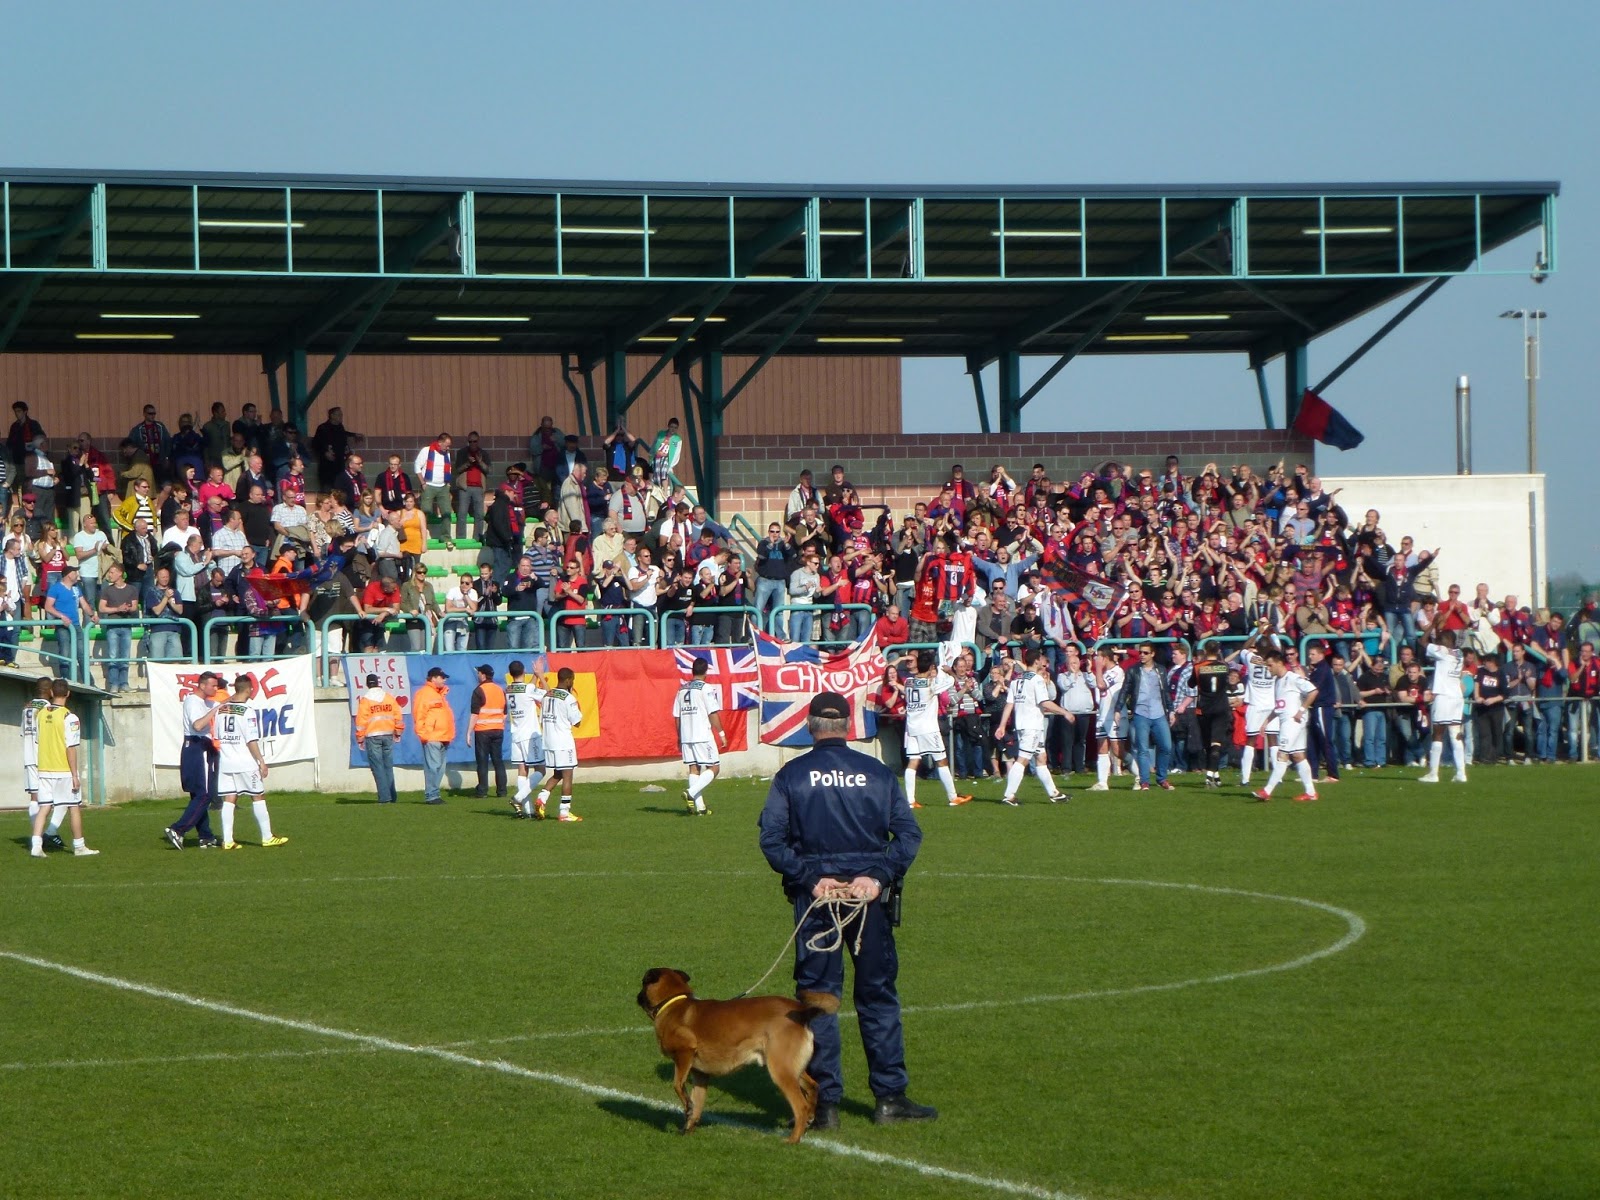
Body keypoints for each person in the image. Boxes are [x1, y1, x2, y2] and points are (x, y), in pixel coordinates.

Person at [757, 690, 936, 1130]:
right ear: (848, 727)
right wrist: (877, 877)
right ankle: (889, 1098)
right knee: (877, 996)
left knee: (819, 1000)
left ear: (811, 726)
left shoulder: (791, 775)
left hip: (818, 900)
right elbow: (909, 836)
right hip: (867, 899)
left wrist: (810, 878)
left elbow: (772, 839)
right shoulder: (877, 773)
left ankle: (826, 1105)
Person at [213, 675, 288, 849]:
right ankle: (267, 837)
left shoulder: (221, 710)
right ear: (249, 689)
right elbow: (251, 740)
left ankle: (228, 840)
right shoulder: (247, 711)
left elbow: (217, 735)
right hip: (245, 762)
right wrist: (261, 761)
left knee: (229, 799)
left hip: (226, 762)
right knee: (258, 796)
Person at [29, 679, 98, 858]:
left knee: (44, 807)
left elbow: (38, 741)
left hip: (44, 769)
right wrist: (75, 775)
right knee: (74, 807)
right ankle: (79, 846)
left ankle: (36, 845)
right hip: (63, 770)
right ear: (68, 693)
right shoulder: (70, 717)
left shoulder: (41, 714)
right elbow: (70, 748)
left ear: (52, 693)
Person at [994, 648, 1069, 805]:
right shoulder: (1037, 680)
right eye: (1041, 660)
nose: (1043, 663)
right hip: (1032, 726)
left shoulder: (1017, 680)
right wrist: (1064, 712)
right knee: (1022, 760)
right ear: (1036, 661)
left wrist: (1002, 725)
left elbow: (1009, 704)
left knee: (1041, 758)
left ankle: (1054, 793)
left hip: (1023, 725)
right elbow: (1045, 702)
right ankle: (1009, 796)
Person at [899, 649, 971, 809]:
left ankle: (910, 800)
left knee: (913, 761)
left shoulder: (908, 682)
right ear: (931, 667)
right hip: (928, 729)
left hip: (911, 728)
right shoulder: (931, 685)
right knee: (941, 760)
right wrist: (948, 671)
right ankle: (953, 797)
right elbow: (951, 681)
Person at [164, 671, 223, 848]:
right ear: (202, 685)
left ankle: (205, 835)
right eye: (213, 685)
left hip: (196, 747)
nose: (216, 689)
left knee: (198, 794)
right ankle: (178, 829)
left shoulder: (205, 702)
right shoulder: (193, 701)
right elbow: (197, 725)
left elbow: (224, 704)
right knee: (205, 795)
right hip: (198, 746)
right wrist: (213, 712)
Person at [1253, 649, 1319, 803]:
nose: (1268, 669)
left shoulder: (1293, 678)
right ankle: (1311, 793)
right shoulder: (1278, 681)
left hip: (1292, 722)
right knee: (1298, 756)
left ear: (1279, 663)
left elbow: (1313, 691)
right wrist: (1267, 721)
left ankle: (1267, 791)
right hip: (1290, 721)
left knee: (1282, 755)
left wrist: (1301, 710)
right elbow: (1280, 706)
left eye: (1270, 665)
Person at [673, 657, 726, 815]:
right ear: (706, 671)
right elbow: (712, 713)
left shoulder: (682, 689)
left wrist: (679, 736)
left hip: (686, 736)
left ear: (692, 670)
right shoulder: (705, 688)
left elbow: (677, 716)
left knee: (694, 769)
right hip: (702, 735)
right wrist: (721, 733)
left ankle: (701, 808)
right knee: (714, 768)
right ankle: (690, 792)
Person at [1120, 642, 1176, 791]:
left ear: (1152, 654)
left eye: (1145, 653)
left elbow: (1165, 692)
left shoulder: (1160, 670)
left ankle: (1161, 778)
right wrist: (1118, 709)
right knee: (1142, 748)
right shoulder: (1133, 670)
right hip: (1141, 712)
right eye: (1140, 652)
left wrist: (1171, 710)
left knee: (1166, 746)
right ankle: (1144, 781)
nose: (1142, 655)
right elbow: (1125, 690)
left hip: (1159, 713)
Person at [1419, 624, 1469, 784]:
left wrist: (1433, 623)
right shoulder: (1459, 654)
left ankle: (1433, 774)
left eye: (1440, 640)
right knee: (1455, 734)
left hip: (1444, 696)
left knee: (1438, 734)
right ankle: (1461, 773)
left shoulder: (1442, 652)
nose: (1438, 643)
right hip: (1457, 696)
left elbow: (1422, 641)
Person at [533, 666, 583, 822]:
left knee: (558, 774)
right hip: (563, 742)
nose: (572, 683)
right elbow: (577, 722)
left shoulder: (547, 695)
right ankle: (564, 812)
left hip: (549, 741)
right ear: (568, 680)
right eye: (572, 680)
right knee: (568, 775)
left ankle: (542, 798)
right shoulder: (568, 698)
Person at [1236, 623, 1280, 786]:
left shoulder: (1252, 660)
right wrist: (1270, 636)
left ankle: (1245, 779)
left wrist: (1256, 634)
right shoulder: (1274, 662)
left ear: (1257, 648)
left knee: (1251, 741)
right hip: (1271, 706)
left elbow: (1243, 649)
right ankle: (1278, 776)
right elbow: (1279, 650)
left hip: (1255, 706)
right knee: (1273, 740)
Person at [356, 672, 405, 805]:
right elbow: (397, 716)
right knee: (388, 766)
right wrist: (398, 732)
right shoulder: (388, 697)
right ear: (378, 683)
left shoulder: (365, 700)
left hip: (372, 736)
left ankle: (384, 797)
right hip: (388, 734)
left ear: (367, 684)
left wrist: (360, 738)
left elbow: (361, 722)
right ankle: (392, 796)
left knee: (377, 767)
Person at [505, 660, 546, 817]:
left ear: (510, 674)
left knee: (522, 771)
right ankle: (517, 798)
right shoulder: (528, 689)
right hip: (530, 736)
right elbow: (548, 695)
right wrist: (540, 676)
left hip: (516, 735)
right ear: (524, 671)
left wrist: (535, 676)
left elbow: (526, 690)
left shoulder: (508, 689)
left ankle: (527, 811)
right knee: (541, 770)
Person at [1192, 641, 1233, 788]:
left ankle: (1210, 775)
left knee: (1208, 743)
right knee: (1216, 742)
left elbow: (1191, 683)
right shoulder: (1225, 667)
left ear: (1205, 651)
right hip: (1221, 708)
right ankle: (1214, 774)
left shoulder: (1198, 667)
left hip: (1204, 709)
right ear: (1218, 651)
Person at [413, 667, 456, 805]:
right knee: (433, 767)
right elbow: (419, 715)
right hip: (432, 737)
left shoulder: (440, 695)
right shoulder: (424, 693)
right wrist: (423, 735)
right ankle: (431, 795)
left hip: (443, 737)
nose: (444, 680)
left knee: (440, 768)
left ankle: (434, 794)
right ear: (433, 678)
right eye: (442, 677)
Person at [1089, 644, 1127, 791]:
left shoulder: (1117, 672)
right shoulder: (1105, 672)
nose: (1097, 660)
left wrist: (1098, 668)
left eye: (1099, 657)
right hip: (1103, 715)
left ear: (1105, 658)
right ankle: (1102, 782)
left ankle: (1139, 776)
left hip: (1114, 715)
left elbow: (1101, 685)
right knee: (1102, 747)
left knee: (1118, 751)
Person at [468, 663, 508, 799]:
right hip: (498, 729)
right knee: (498, 761)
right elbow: (505, 713)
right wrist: (499, 724)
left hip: (483, 730)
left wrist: (468, 732)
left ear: (483, 675)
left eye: (479, 673)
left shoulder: (479, 690)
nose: (478, 675)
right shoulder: (500, 690)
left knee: (482, 762)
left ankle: (482, 791)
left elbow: (474, 714)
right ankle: (502, 791)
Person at [21, 676, 51, 821]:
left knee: (34, 796)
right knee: (52, 796)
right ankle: (48, 831)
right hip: (44, 756)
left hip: (29, 756)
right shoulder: (47, 708)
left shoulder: (26, 708)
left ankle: (37, 831)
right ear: (49, 690)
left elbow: (23, 732)